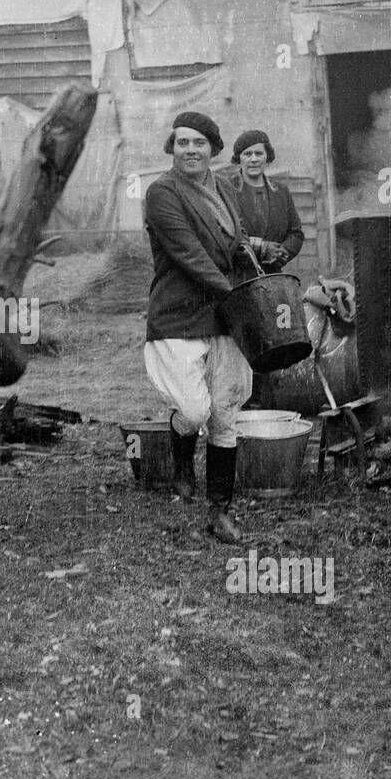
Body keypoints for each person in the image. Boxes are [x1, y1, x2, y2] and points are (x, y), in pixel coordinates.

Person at [142, 112, 253, 545]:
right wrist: (232, 291)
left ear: (214, 149)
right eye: (182, 142)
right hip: (179, 314)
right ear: (172, 148)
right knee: (193, 411)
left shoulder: (224, 188)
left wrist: (255, 258)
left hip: (225, 316)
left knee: (226, 411)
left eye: (199, 143)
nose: (190, 149)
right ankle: (180, 447)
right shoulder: (162, 192)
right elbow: (188, 251)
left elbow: (233, 243)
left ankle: (220, 511)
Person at [226, 130, 304, 272]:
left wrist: (281, 253)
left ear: (267, 156)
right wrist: (262, 250)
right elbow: (224, 235)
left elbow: (295, 233)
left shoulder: (281, 191)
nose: (254, 159)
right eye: (247, 154)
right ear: (239, 159)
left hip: (273, 274)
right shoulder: (227, 190)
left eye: (259, 153)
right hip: (237, 276)